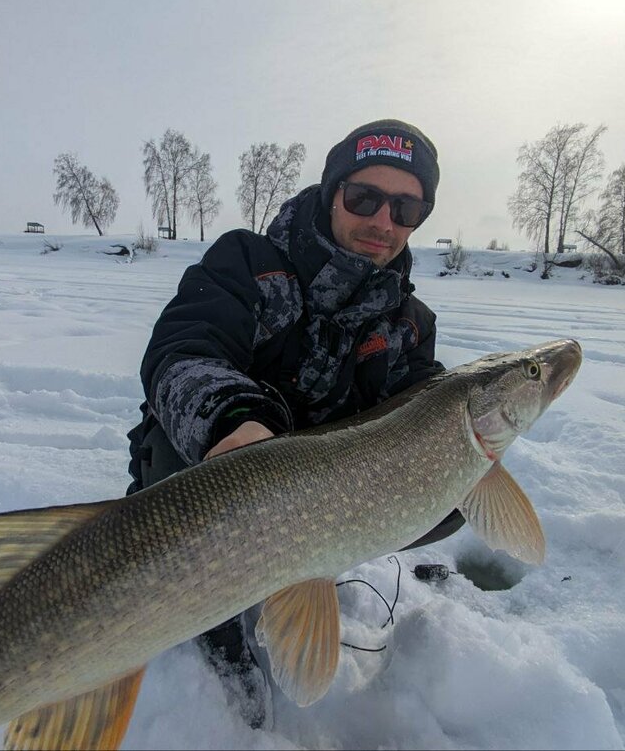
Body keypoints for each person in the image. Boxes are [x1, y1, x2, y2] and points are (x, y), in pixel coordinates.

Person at [125, 119, 464, 728]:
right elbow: (183, 350)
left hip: (316, 500)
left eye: (406, 208)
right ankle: (216, 618)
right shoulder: (249, 262)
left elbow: (423, 399)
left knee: (456, 493)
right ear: (333, 192)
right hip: (223, 474)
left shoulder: (409, 320)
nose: (383, 222)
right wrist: (234, 422)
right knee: (183, 450)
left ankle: (309, 565)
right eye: (365, 198)